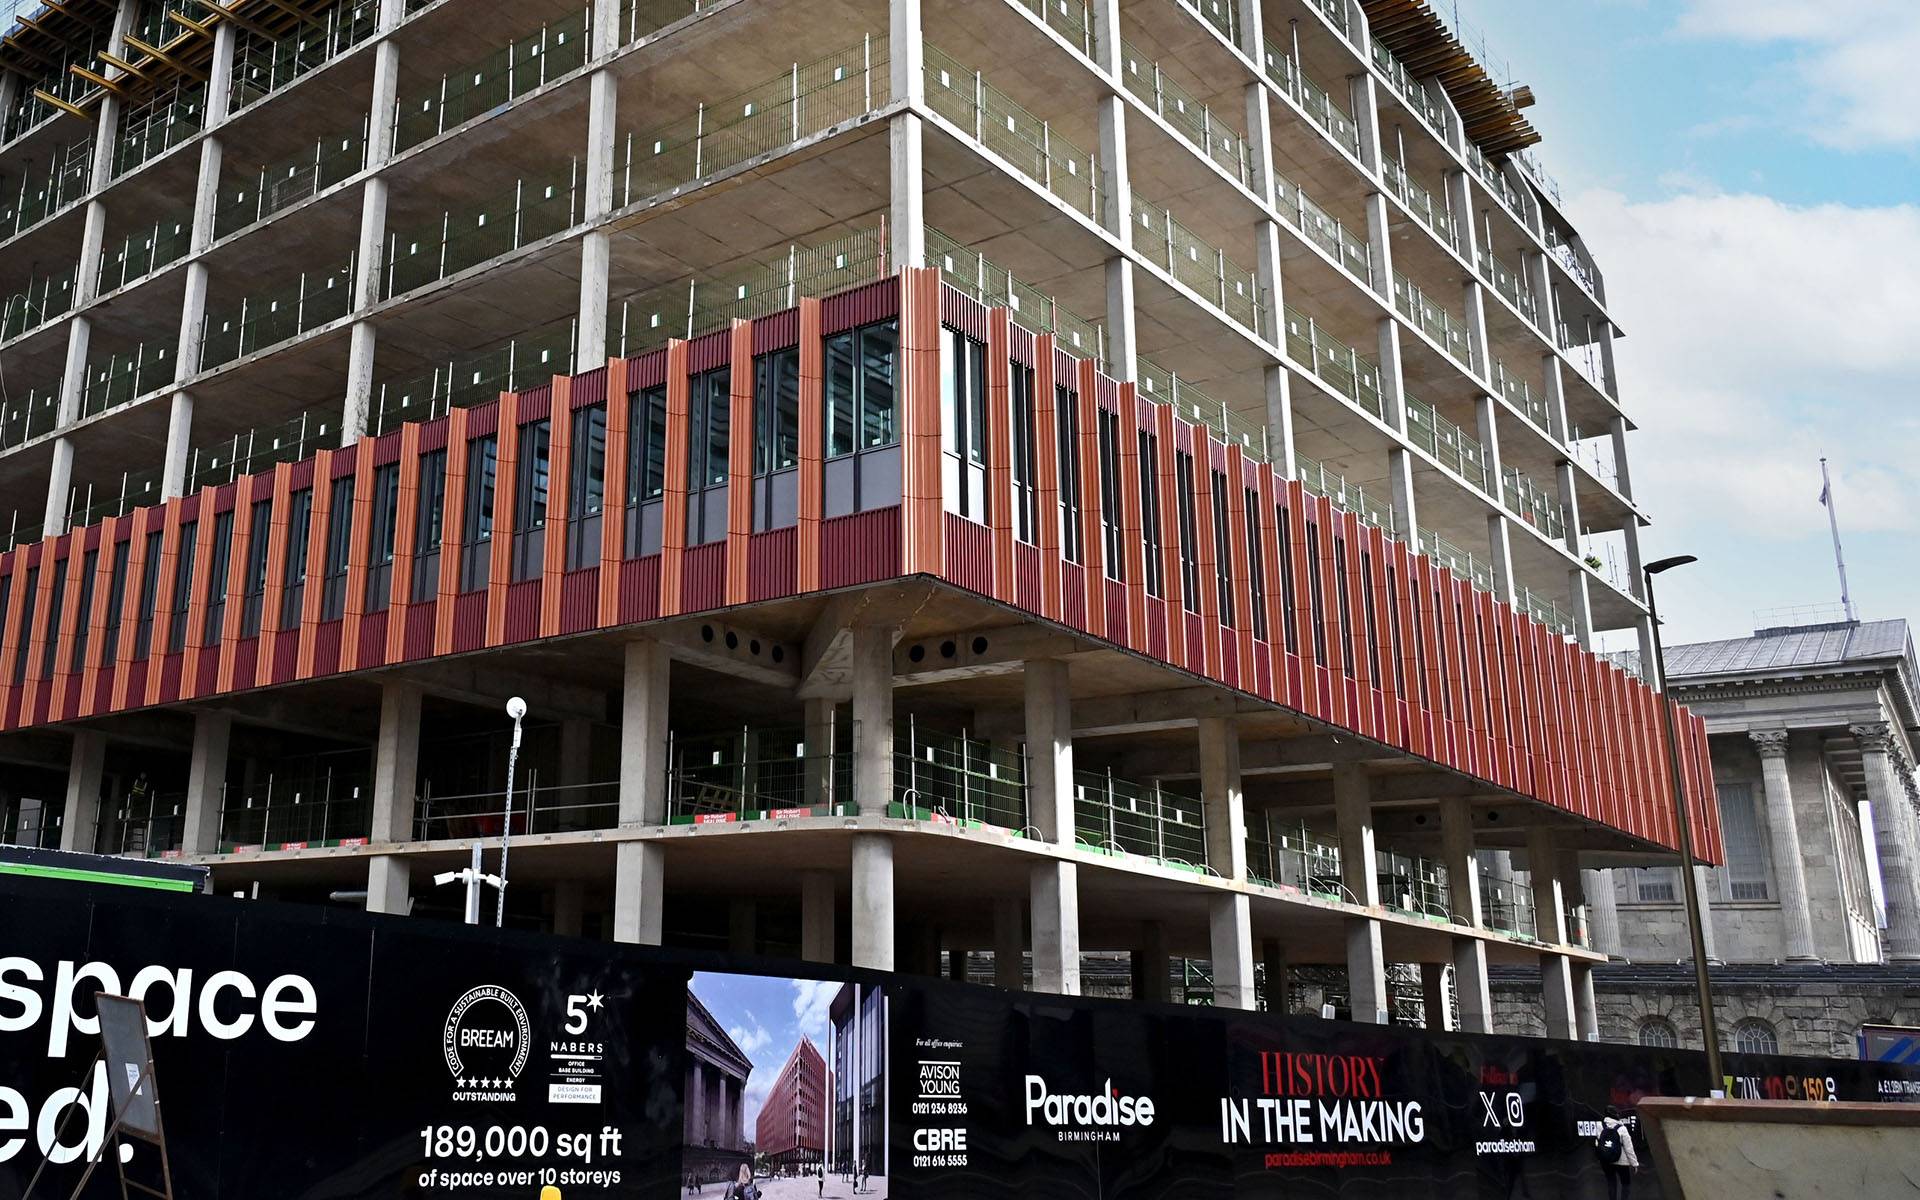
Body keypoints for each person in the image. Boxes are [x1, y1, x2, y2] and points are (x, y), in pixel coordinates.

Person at [1595, 1105, 1639, 1200]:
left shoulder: (1600, 1126)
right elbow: (1629, 1148)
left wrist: (1601, 1157)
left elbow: (1598, 1143)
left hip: (1606, 1161)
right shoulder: (1622, 1128)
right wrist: (1634, 1163)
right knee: (1626, 1184)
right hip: (1622, 1161)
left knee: (1611, 1183)